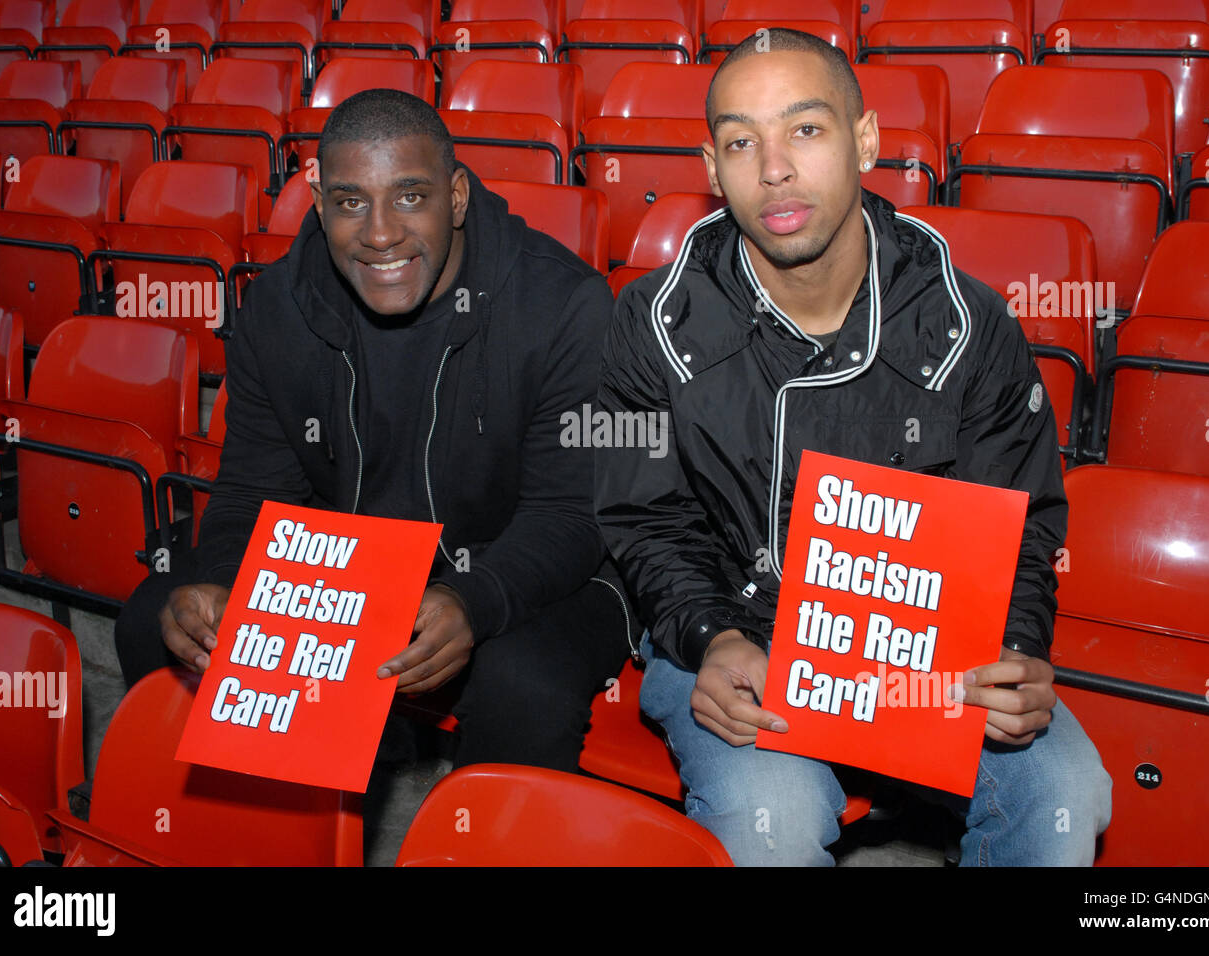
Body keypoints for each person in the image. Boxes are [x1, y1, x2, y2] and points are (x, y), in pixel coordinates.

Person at [595, 29, 1111, 865]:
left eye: (806, 129)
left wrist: (1013, 652)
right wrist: (709, 637)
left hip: (924, 652)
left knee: (1065, 791)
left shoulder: (969, 323)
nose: (773, 169)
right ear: (710, 163)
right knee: (773, 817)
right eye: (740, 141)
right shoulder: (651, 320)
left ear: (866, 140)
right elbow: (643, 519)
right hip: (734, 638)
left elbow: (1019, 525)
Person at [115, 89, 634, 773]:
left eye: (410, 197)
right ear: (319, 199)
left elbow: (571, 515)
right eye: (351, 201)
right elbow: (251, 487)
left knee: (522, 686)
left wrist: (471, 600)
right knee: (158, 619)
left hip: (528, 559)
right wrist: (222, 581)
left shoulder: (563, 304)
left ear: (454, 197)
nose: (381, 233)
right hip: (355, 563)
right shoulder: (276, 306)